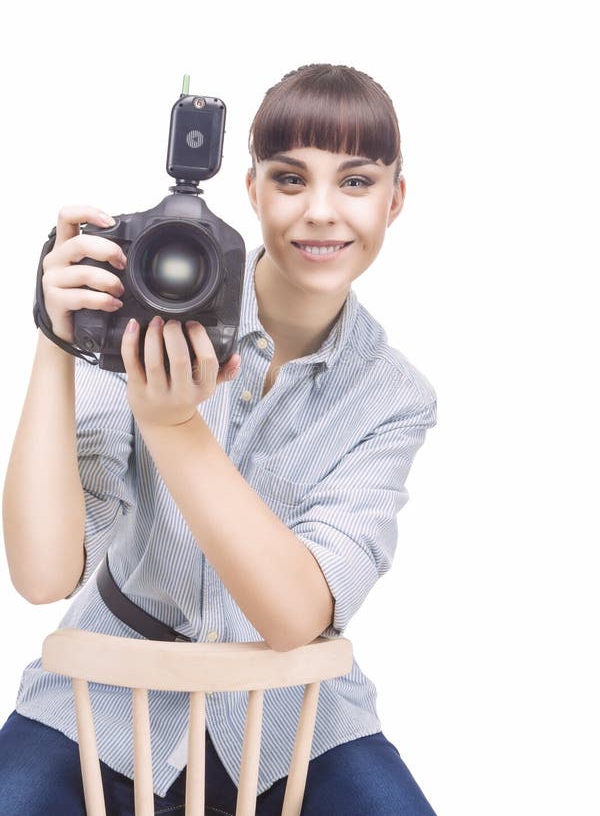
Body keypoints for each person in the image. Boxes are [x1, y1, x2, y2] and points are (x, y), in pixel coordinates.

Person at [0, 63, 439, 815]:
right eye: (291, 179)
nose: (321, 212)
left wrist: (173, 428)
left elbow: (295, 617)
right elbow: (42, 575)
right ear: (253, 190)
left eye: (356, 182)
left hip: (295, 721)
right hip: (101, 703)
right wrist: (56, 335)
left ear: (394, 198)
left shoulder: (393, 395)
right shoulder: (146, 308)